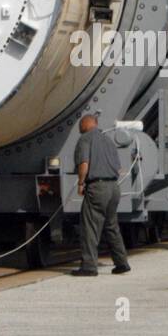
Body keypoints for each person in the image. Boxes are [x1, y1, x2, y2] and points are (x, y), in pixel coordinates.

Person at [72, 114, 131, 277]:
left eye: (80, 125)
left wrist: (81, 183)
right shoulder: (108, 140)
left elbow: (84, 163)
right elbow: (118, 168)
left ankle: (89, 266)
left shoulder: (85, 139)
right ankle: (122, 263)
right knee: (112, 226)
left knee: (90, 227)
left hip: (97, 187)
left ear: (86, 124)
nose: (79, 128)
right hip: (113, 188)